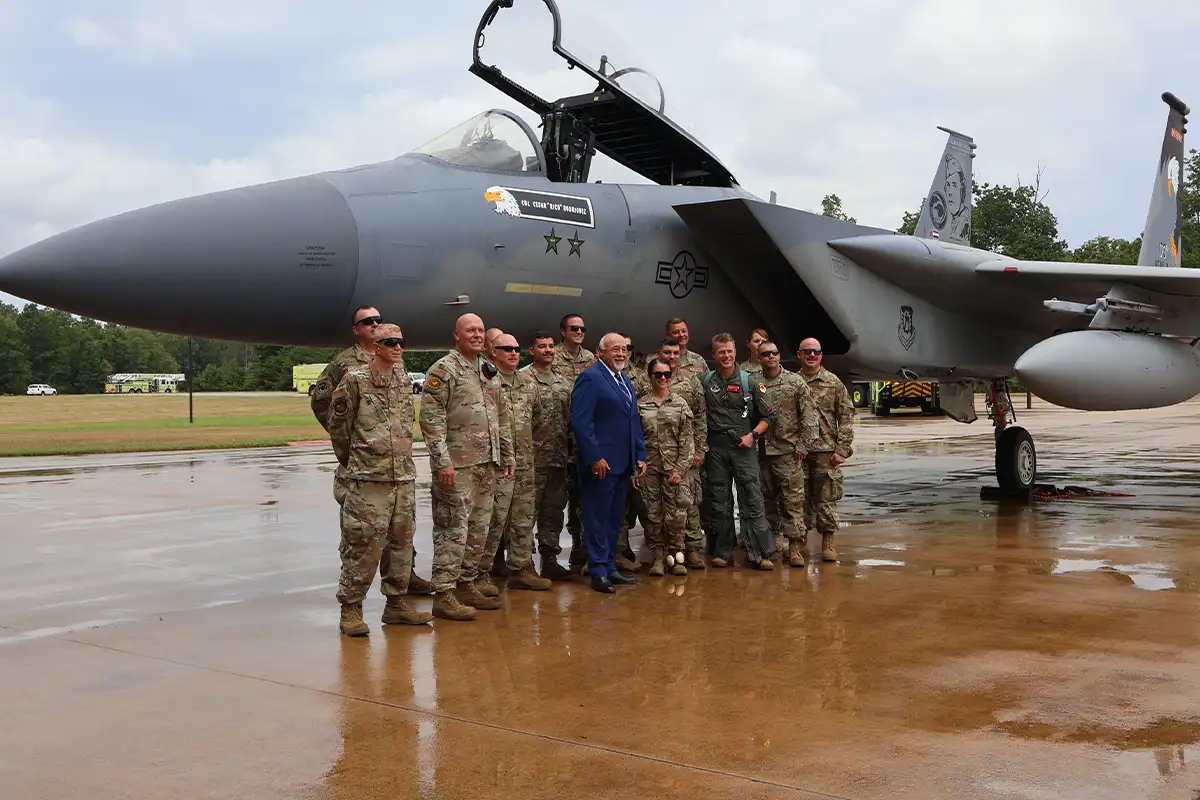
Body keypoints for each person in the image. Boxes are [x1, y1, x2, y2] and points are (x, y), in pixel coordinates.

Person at [311, 304, 435, 597]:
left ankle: (404, 582)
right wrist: (355, 446)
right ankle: (352, 597)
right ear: (358, 329)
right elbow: (325, 403)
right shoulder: (346, 364)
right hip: (364, 469)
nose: (375, 324)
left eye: (379, 320)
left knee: (400, 532)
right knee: (361, 535)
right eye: (368, 321)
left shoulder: (399, 369)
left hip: (397, 469)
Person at [419, 313, 515, 621]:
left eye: (480, 330)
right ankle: (444, 594)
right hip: (457, 467)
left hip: (486, 464)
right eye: (470, 330)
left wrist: (507, 456)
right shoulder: (444, 370)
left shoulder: (487, 371)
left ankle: (465, 583)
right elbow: (430, 420)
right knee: (452, 530)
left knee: (479, 529)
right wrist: (441, 461)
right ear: (456, 336)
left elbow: (500, 418)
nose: (476, 335)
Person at [570, 332, 647, 593]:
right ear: (600, 351)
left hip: (623, 464)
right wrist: (594, 457)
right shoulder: (590, 378)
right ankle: (598, 570)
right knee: (597, 517)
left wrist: (639, 455)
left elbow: (633, 421)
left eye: (624, 349)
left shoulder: (624, 380)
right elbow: (582, 422)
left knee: (616, 519)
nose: (620, 353)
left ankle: (610, 566)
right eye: (614, 349)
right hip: (600, 465)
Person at [478, 333, 552, 591]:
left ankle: (521, 568)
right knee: (493, 520)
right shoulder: (485, 382)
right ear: (492, 352)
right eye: (505, 348)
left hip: (525, 463)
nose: (512, 353)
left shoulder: (527, 383)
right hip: (496, 464)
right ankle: (481, 573)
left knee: (523, 518)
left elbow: (538, 420)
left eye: (516, 348)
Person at [701, 332, 775, 569]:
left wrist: (752, 436)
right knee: (719, 501)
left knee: (752, 499)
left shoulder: (750, 382)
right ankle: (722, 551)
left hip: (743, 448)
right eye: (721, 352)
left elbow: (767, 417)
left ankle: (760, 554)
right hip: (716, 450)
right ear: (714, 355)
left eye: (730, 351)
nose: (726, 356)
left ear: (736, 353)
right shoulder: (705, 382)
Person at [756, 340, 818, 567]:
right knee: (766, 504)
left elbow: (810, 418)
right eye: (765, 354)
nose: (770, 357)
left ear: (779, 355)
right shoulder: (754, 383)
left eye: (773, 353)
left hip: (788, 454)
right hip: (762, 455)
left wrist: (803, 446)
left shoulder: (795, 382)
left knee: (793, 503)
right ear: (759, 357)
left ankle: (795, 548)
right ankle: (772, 546)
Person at [796, 338, 855, 562]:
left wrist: (843, 449)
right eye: (808, 351)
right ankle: (798, 542)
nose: (812, 355)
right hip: (799, 452)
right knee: (797, 500)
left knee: (826, 499)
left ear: (821, 355)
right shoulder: (792, 382)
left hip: (826, 452)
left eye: (817, 352)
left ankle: (828, 542)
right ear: (799, 354)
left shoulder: (833, 383)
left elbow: (846, 418)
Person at [635, 357, 695, 577]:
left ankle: (677, 555)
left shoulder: (680, 404)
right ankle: (658, 557)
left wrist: (680, 470)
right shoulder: (640, 404)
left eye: (666, 374)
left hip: (674, 468)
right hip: (648, 468)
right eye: (658, 374)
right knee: (652, 514)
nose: (662, 378)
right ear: (650, 377)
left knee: (677, 514)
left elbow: (687, 441)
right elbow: (635, 439)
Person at [522, 331, 575, 580]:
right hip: (531, 461)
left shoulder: (564, 382)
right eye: (541, 346)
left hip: (558, 458)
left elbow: (570, 420)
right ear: (532, 351)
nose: (548, 350)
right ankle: (523, 564)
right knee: (525, 513)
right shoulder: (522, 379)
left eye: (551, 346)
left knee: (553, 511)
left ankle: (550, 559)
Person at [654, 336, 707, 569]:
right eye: (667, 352)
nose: (672, 357)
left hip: (687, 454)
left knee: (689, 501)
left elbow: (701, 417)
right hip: (657, 454)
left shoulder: (691, 381)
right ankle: (664, 551)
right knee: (658, 506)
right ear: (660, 353)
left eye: (675, 353)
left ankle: (693, 548)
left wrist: (699, 449)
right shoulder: (651, 380)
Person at [553, 313, 595, 573]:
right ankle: (550, 554)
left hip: (581, 440)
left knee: (582, 497)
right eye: (573, 328)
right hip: (558, 436)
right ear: (563, 331)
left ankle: (581, 547)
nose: (579, 332)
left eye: (582, 328)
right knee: (558, 500)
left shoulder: (591, 359)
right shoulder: (553, 356)